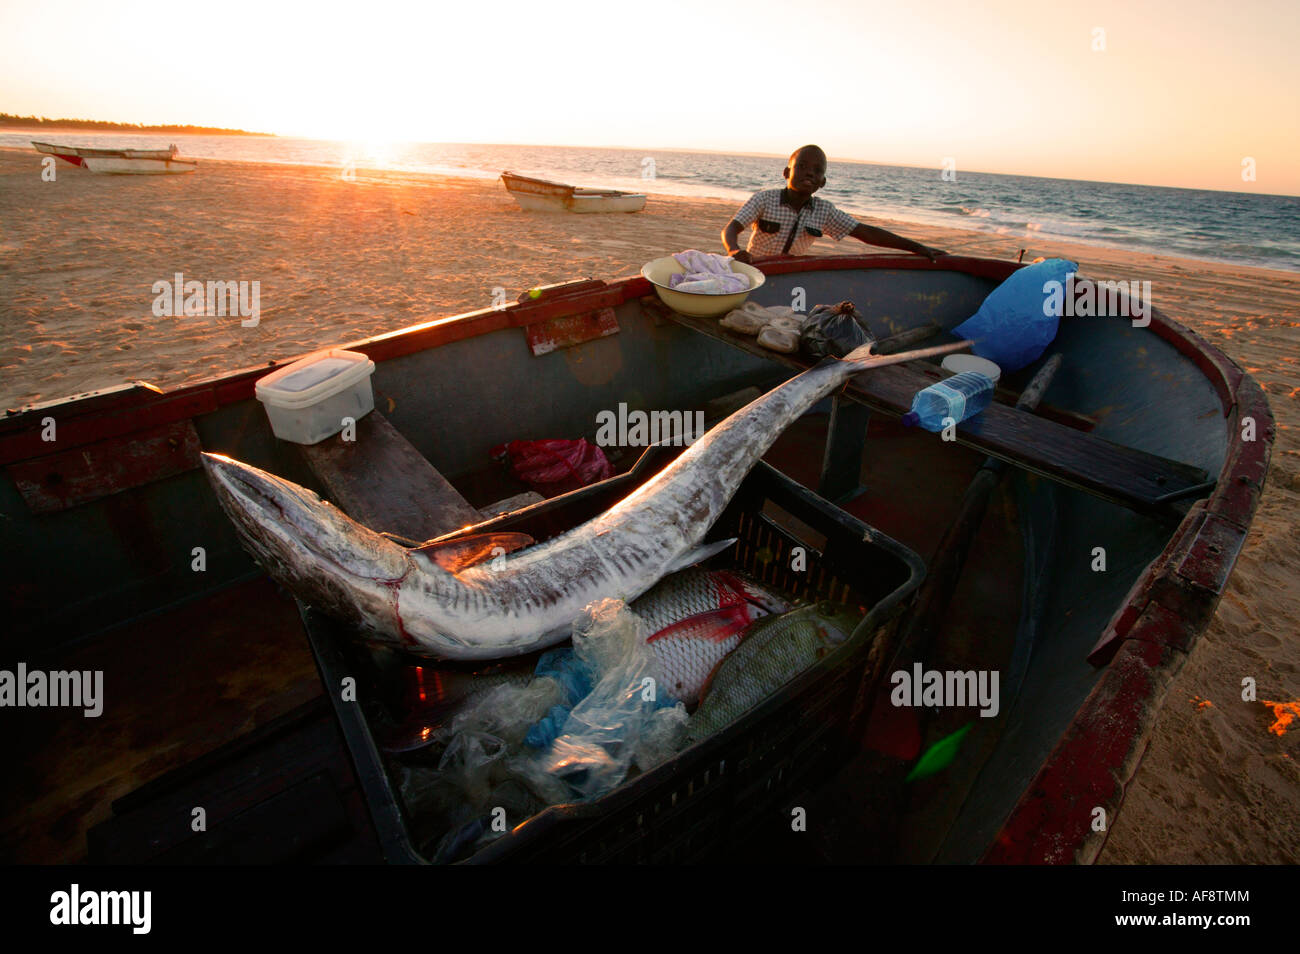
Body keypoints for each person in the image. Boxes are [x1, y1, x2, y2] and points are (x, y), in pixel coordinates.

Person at [722, 145, 944, 263]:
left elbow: (866, 233)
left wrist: (916, 247)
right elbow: (731, 228)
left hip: (790, 274)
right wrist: (734, 250)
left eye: (817, 171)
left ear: (823, 182)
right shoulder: (764, 199)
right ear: (787, 172)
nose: (809, 172)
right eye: (802, 166)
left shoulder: (824, 211)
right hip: (755, 268)